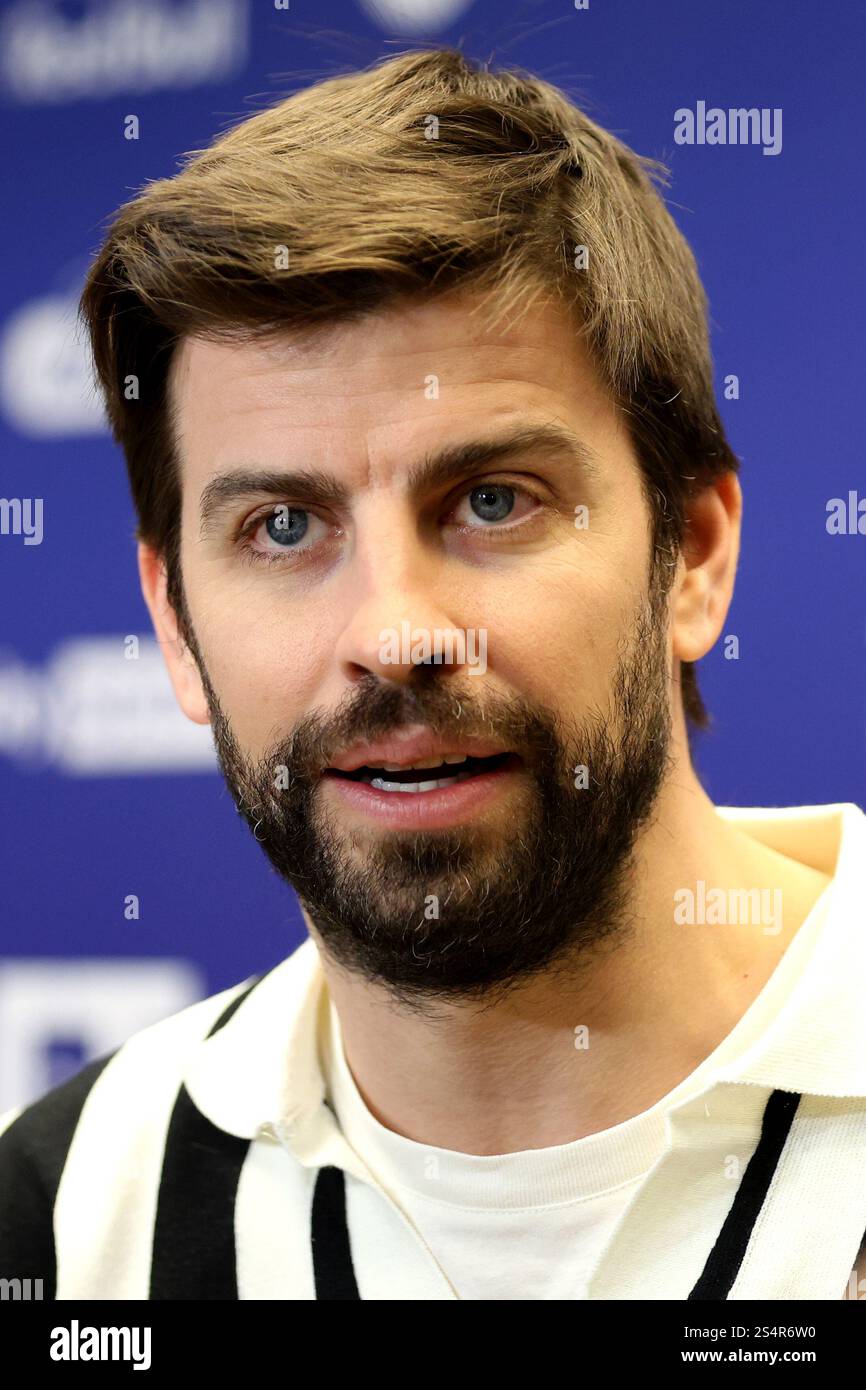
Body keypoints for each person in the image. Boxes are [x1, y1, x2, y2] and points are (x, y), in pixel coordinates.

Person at [2, 46, 864, 1301]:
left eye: (494, 500)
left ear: (694, 555)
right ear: (175, 626)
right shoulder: (72, 1217)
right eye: (283, 527)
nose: (396, 633)